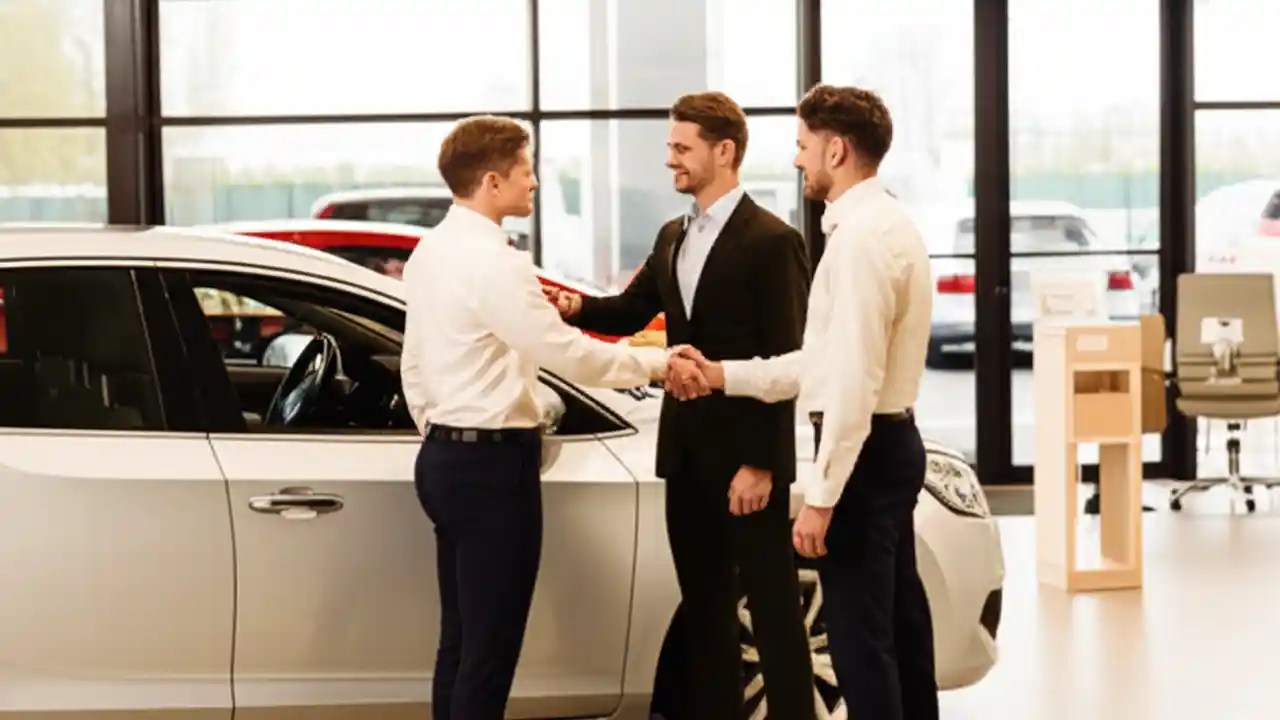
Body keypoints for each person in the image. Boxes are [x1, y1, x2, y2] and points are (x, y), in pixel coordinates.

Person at [670, 84, 939, 720]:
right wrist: (721, 376)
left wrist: (821, 499)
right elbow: (818, 362)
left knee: (861, 644)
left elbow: (848, 384)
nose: (797, 161)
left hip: (865, 454)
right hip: (891, 443)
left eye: (803, 147)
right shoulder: (888, 223)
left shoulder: (859, 243)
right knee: (901, 631)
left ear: (836, 149)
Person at [547, 92, 816, 720]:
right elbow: (631, 310)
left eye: (680, 147)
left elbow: (790, 362)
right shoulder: (674, 234)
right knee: (704, 611)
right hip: (685, 455)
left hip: (745, 463)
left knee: (773, 613)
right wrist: (574, 308)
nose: (670, 159)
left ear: (724, 151)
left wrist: (764, 464)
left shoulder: (773, 241)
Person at [399, 115, 671, 720]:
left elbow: (413, 367)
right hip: (491, 466)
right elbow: (563, 352)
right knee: (491, 649)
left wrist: (442, 427)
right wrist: (655, 366)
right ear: (493, 181)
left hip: (444, 456)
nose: (535, 184)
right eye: (527, 171)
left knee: (461, 641)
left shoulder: (431, 251)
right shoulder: (494, 262)